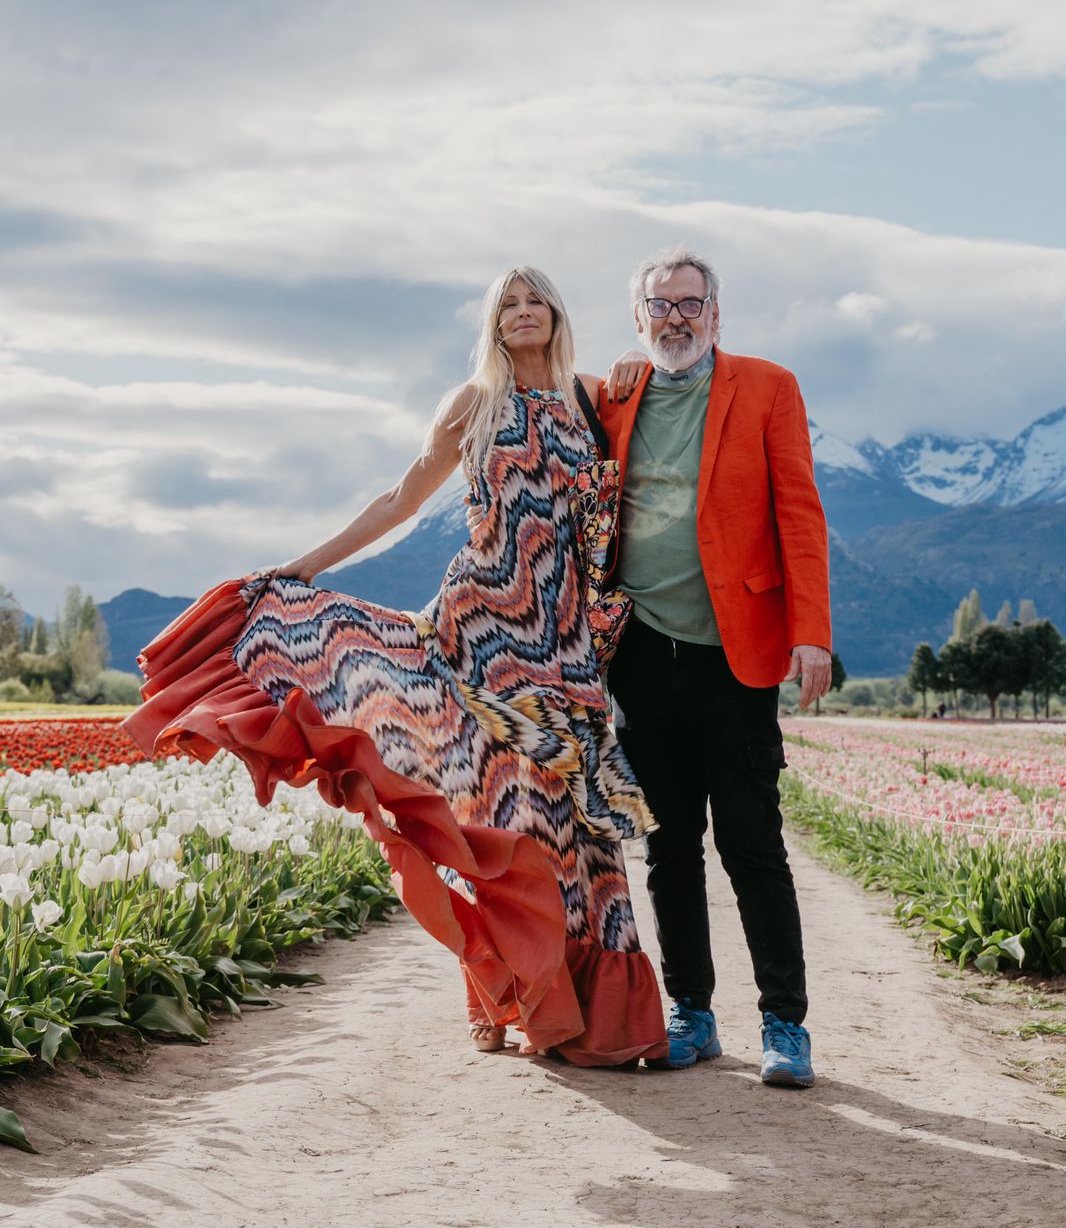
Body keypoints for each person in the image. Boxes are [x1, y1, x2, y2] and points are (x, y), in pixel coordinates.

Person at [127, 267, 666, 1068]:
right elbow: (399, 499)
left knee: (574, 827)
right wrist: (303, 568)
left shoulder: (593, 400)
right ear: (493, 324)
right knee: (501, 821)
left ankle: (593, 1015)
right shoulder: (471, 404)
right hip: (476, 636)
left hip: (567, 650)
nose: (523, 313)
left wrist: (637, 363)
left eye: (536, 301)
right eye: (508, 304)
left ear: (556, 315)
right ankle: (498, 994)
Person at [598, 243, 832, 1086]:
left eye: (690, 303)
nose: (676, 317)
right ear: (639, 318)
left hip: (736, 656)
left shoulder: (768, 387)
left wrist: (812, 631)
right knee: (667, 848)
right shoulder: (614, 399)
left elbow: (799, 512)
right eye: (660, 305)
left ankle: (784, 1024)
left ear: (717, 312)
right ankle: (691, 1015)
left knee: (752, 844)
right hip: (640, 657)